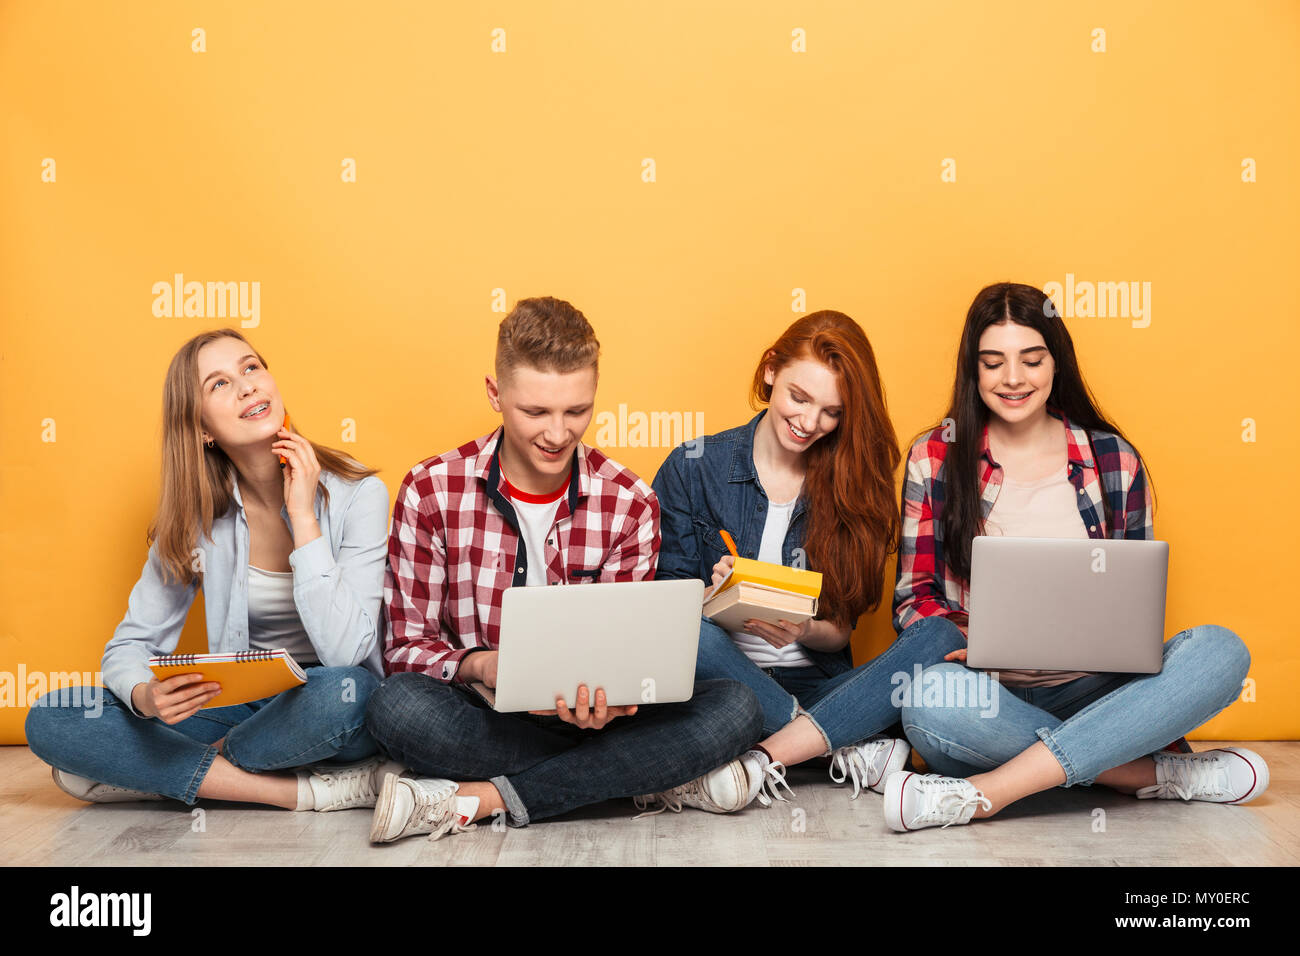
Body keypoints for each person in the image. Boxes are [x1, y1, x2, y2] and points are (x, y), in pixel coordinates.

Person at [364, 296, 764, 843]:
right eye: (536, 412)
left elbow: (629, 655)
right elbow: (405, 648)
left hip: (598, 723)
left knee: (736, 708)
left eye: (577, 411)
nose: (558, 434)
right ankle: (640, 776)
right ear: (494, 393)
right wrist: (480, 666)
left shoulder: (629, 501)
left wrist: (618, 704)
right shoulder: (431, 489)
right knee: (395, 707)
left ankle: (483, 799)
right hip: (485, 716)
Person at [884, 282, 1267, 832]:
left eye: (1031, 360)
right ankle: (1143, 773)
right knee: (929, 700)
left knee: (1221, 651)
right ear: (974, 371)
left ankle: (986, 792)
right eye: (993, 363)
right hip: (991, 697)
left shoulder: (1113, 457)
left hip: (1102, 693)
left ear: (1056, 362)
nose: (1013, 379)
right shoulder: (935, 457)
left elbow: (1135, 601)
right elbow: (913, 596)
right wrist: (978, 650)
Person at [25, 329, 399, 812]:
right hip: (237, 713)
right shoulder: (194, 517)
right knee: (55, 716)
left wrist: (304, 518)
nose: (246, 387)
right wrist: (144, 696)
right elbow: (130, 644)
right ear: (202, 429)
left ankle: (165, 773)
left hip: (325, 709)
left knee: (348, 693)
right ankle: (298, 792)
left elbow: (349, 651)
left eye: (251, 368)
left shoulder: (356, 494)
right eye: (219, 384)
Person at [651, 311, 964, 808]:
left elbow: (838, 632)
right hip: (721, 686)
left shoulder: (855, 483)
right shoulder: (694, 467)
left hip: (821, 683)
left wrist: (801, 627)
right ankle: (838, 742)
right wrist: (715, 597)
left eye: (831, 412)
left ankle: (769, 752)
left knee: (943, 634)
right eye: (799, 397)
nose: (809, 423)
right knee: (685, 633)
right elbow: (662, 614)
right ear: (771, 370)